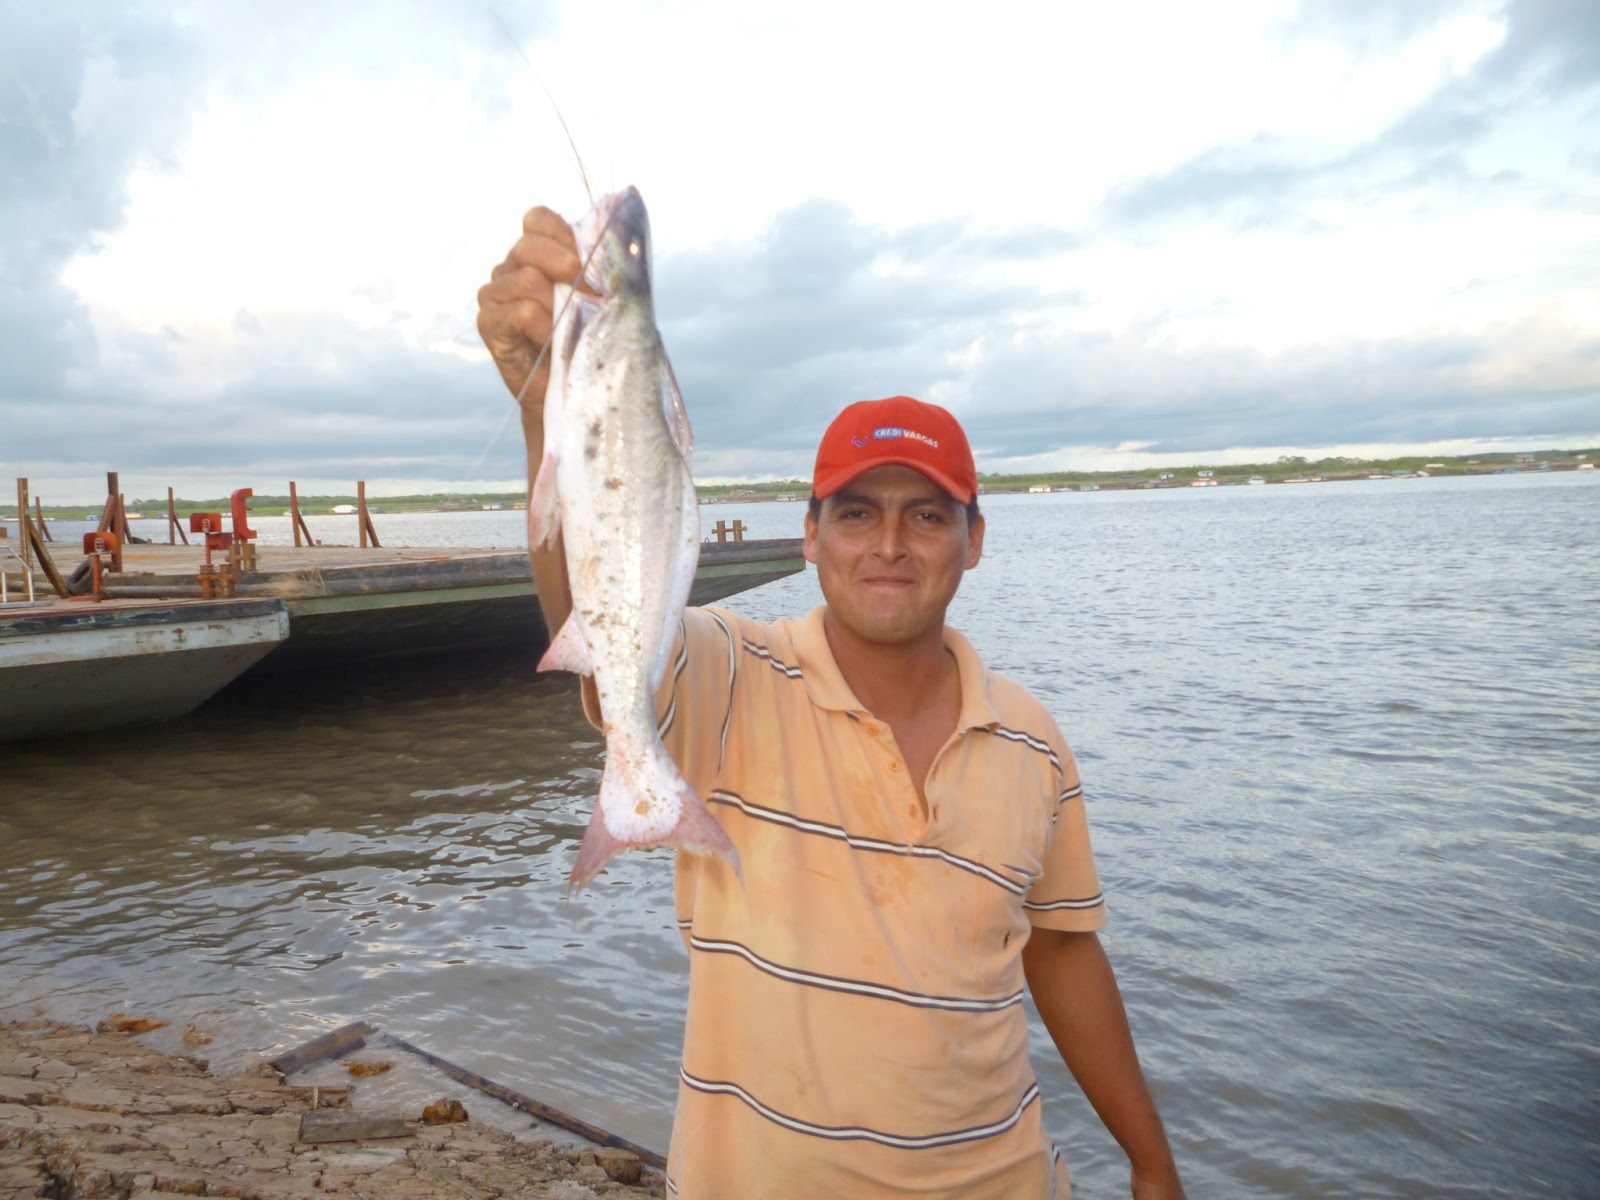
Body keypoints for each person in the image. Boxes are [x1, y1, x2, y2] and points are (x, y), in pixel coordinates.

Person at [477, 206, 1187, 1200]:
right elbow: (601, 623)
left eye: (925, 514)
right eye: (856, 512)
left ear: (973, 541)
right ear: (810, 537)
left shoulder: (1031, 740)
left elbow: (1063, 954)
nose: (889, 543)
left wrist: (1152, 1163)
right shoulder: (725, 678)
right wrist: (542, 406)